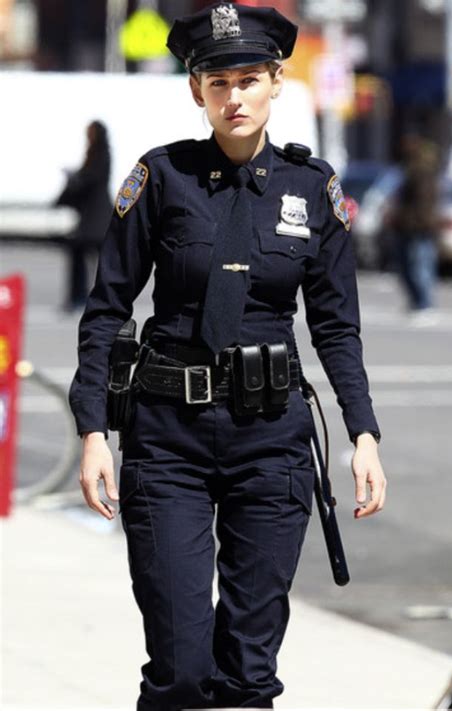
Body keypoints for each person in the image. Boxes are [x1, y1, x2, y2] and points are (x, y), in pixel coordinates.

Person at [69, 4, 387, 710]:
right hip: (167, 441)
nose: (233, 96)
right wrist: (93, 429)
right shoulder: (162, 179)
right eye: (218, 83)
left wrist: (363, 432)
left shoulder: (312, 189)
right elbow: (106, 312)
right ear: (196, 92)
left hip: (269, 440)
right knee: (182, 667)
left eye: (248, 79)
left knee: (246, 673)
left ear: (277, 83)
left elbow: (335, 326)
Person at [56, 120, 112, 311]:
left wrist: (75, 179)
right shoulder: (95, 153)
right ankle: (84, 297)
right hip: (93, 218)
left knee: (93, 257)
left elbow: (91, 179)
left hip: (96, 219)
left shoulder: (101, 154)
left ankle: (83, 297)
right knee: (90, 257)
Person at [391, 133, 441, 323]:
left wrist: (411, 219)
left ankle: (425, 304)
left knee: (419, 265)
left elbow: (422, 203)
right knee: (411, 265)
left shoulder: (421, 172)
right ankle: (417, 302)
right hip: (411, 225)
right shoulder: (411, 171)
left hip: (419, 226)